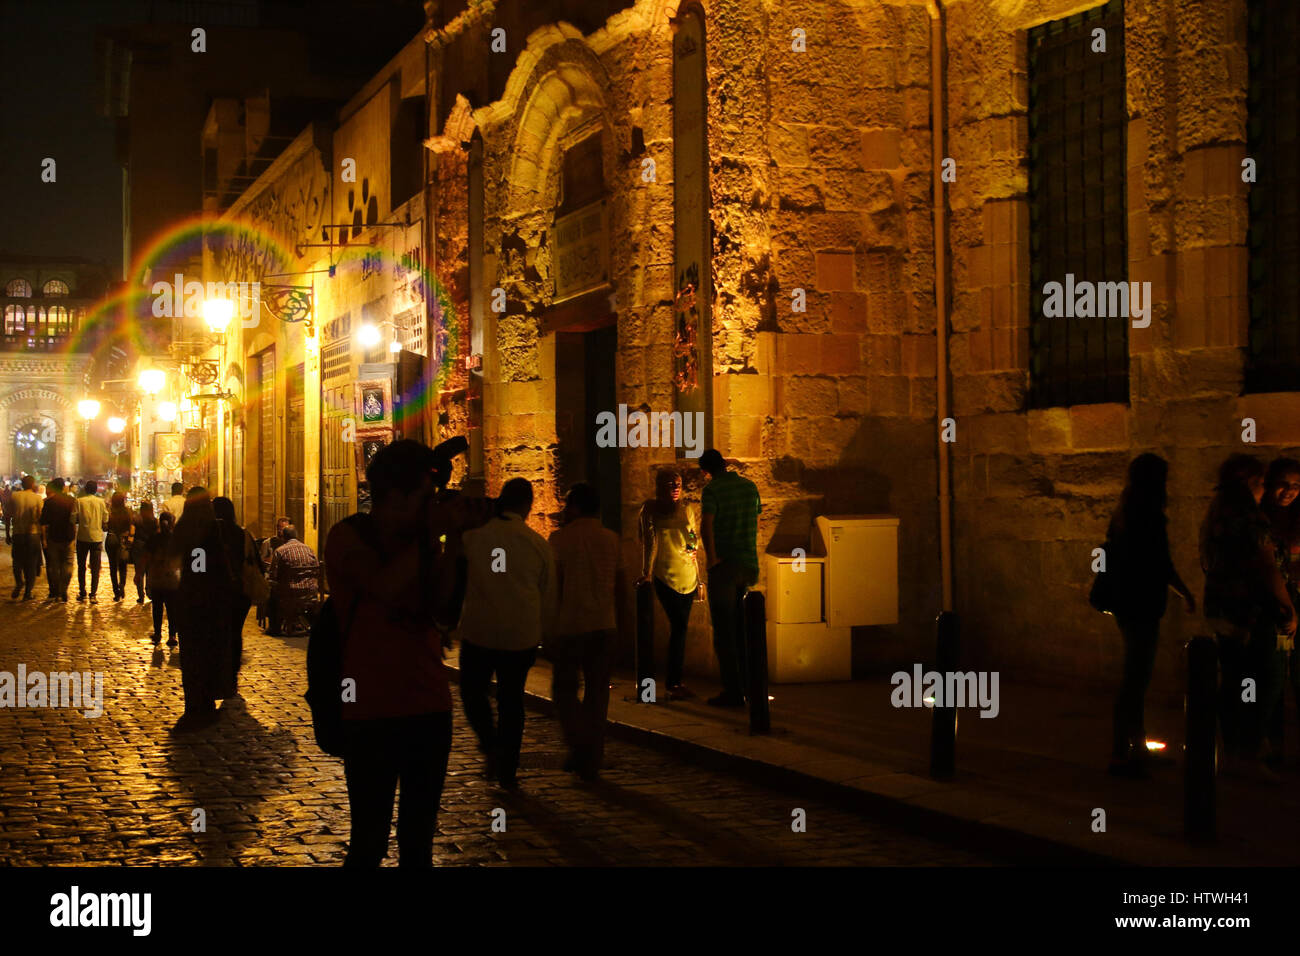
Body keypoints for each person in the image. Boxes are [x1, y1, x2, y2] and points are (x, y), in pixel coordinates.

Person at [324, 439, 455, 867]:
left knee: (418, 844)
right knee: (370, 840)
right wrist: (427, 537)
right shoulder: (348, 537)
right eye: (425, 497)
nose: (430, 506)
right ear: (396, 496)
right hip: (369, 710)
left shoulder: (423, 542)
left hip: (428, 707)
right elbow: (383, 586)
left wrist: (453, 544)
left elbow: (444, 609)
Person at [1200, 454, 1296, 779]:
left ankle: (1232, 750)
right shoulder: (1249, 519)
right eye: (1261, 483)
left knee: (1236, 680)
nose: (1264, 488)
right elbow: (1268, 568)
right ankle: (1249, 753)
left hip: (1225, 611)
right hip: (1254, 614)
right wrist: (1289, 609)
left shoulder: (1218, 514)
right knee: (1266, 679)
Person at [457, 477, 556, 789]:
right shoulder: (538, 545)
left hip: (480, 631)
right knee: (512, 700)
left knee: (473, 693)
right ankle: (507, 767)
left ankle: (490, 744)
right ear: (527, 506)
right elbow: (548, 595)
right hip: (520, 635)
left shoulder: (473, 539)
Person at [1101, 454, 1195, 777]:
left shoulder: (1124, 512)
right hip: (1142, 604)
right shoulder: (1150, 516)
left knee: (1134, 678)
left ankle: (1132, 748)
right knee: (1136, 679)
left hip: (1127, 603)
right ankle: (1122, 752)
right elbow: (1161, 563)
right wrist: (1186, 592)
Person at [548, 482, 627, 780]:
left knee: (564, 690)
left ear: (575, 507)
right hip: (604, 626)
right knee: (597, 694)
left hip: (571, 626)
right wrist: (624, 626)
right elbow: (621, 587)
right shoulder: (612, 540)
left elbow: (554, 587)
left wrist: (548, 626)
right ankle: (592, 755)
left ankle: (578, 743)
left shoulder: (559, 540)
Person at [168, 488, 239, 732]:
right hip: (207, 599)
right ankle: (206, 697)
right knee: (208, 648)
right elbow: (205, 562)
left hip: (187, 599)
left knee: (191, 652)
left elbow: (174, 558)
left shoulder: (183, 527)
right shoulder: (207, 529)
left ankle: (194, 699)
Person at [699, 449, 762, 708]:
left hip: (725, 566)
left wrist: (712, 558)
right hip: (748, 564)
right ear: (725, 464)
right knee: (745, 629)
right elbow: (755, 515)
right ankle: (751, 685)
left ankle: (733, 692)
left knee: (725, 631)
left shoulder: (712, 490)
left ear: (706, 472)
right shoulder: (749, 487)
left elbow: (706, 524)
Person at [638, 468, 702, 699]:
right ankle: (673, 681)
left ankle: (674, 681)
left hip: (687, 575)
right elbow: (649, 541)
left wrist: (693, 548)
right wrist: (646, 573)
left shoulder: (686, 509)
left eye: (678, 483)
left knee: (680, 628)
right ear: (659, 486)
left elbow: (693, 535)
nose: (675, 488)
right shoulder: (650, 510)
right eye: (670, 484)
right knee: (679, 627)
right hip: (665, 575)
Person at [1263, 457, 1300, 768]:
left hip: (1296, 603)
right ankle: (1273, 747)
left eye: (1296, 486)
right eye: (1284, 484)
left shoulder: (1296, 518)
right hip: (1276, 608)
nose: (1290, 491)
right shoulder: (1260, 520)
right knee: (1273, 680)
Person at [212, 496, 257, 692]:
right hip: (240, 591)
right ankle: (231, 677)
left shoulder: (210, 534)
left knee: (218, 634)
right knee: (235, 633)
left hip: (218, 591)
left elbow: (200, 565)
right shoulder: (242, 534)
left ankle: (220, 676)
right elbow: (254, 561)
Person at [266, 526, 321, 635]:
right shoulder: (309, 549)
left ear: (283, 537)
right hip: (310, 592)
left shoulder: (280, 551)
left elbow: (273, 574)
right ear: (297, 536)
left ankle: (275, 627)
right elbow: (317, 569)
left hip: (289, 593)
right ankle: (300, 622)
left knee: (271, 590)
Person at [145, 511, 179, 646]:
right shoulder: (176, 539)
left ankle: (158, 633)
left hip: (156, 578)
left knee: (157, 608)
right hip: (172, 579)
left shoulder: (154, 538)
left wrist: (139, 574)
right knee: (172, 609)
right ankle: (172, 635)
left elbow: (145, 557)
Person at [40, 478, 75, 602]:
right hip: (68, 537)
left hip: (54, 537)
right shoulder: (71, 501)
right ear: (63, 488)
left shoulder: (49, 502)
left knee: (54, 566)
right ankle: (63, 589)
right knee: (68, 564)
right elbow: (75, 519)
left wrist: (44, 539)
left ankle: (55, 591)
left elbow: (43, 523)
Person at [74, 479, 108, 603]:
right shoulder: (101, 502)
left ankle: (82, 591)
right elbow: (105, 518)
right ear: (96, 490)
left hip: (82, 537)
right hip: (96, 538)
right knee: (95, 568)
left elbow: (73, 518)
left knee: (81, 566)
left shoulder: (79, 501)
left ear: (86, 489)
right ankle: (93, 593)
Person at [10, 476, 44, 600]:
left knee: (17, 561)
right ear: (32, 485)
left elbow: (8, 516)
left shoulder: (14, 496)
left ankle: (19, 582)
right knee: (32, 564)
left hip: (18, 533)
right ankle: (28, 592)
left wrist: (8, 533)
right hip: (33, 534)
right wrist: (43, 537)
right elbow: (41, 518)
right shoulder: (37, 498)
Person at [105, 491, 134, 602]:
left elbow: (105, 526)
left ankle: (115, 591)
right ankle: (122, 584)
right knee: (123, 565)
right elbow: (131, 525)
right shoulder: (127, 512)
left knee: (112, 567)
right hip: (123, 539)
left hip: (111, 538)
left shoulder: (110, 511)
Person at [132, 500, 158, 604]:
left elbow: (132, 532)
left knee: (139, 571)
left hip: (138, 546)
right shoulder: (154, 520)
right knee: (149, 570)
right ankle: (149, 592)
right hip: (151, 546)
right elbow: (157, 533)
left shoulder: (136, 519)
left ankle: (140, 595)